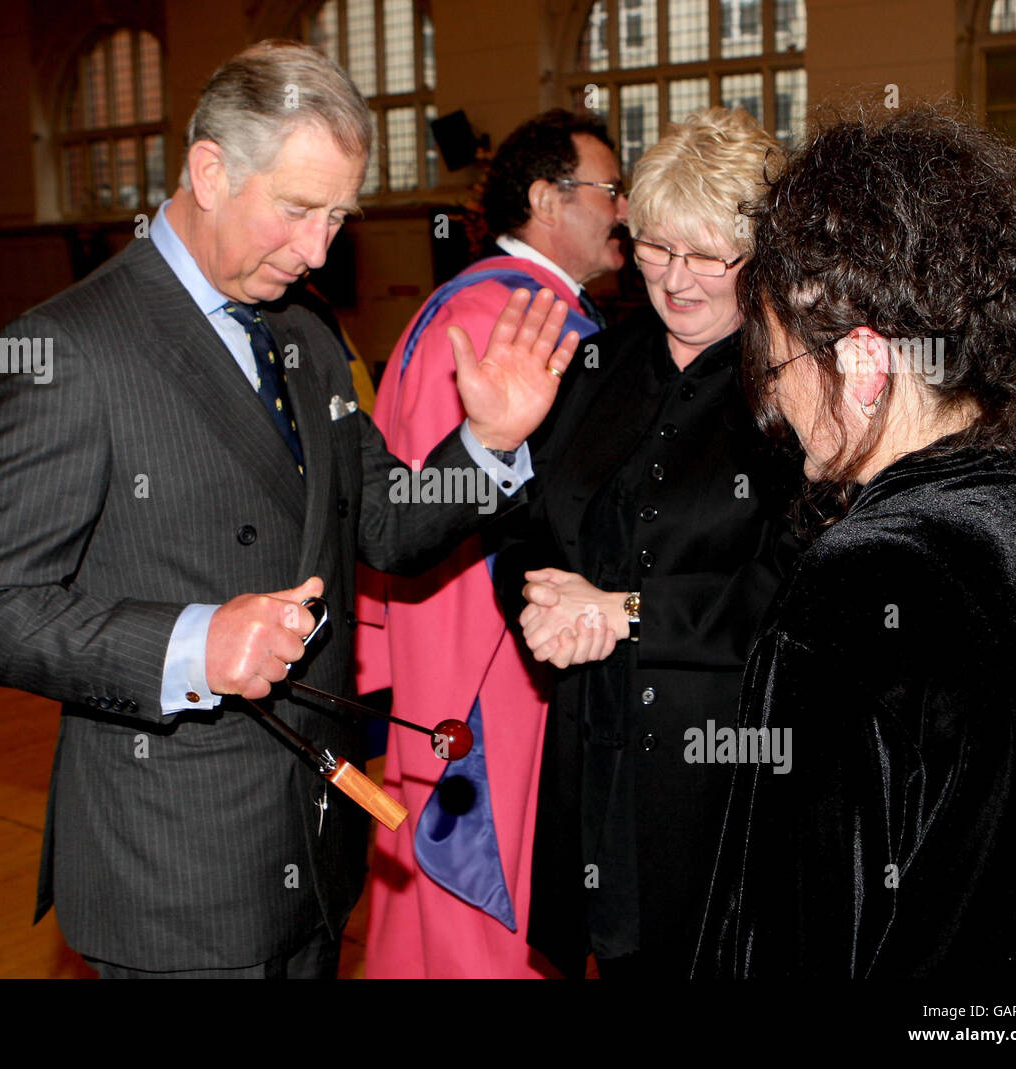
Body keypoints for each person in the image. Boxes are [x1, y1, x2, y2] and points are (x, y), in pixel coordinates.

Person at [0, 40, 579, 979]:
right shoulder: (72, 348)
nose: (318, 247)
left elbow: (386, 521)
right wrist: (189, 644)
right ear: (208, 170)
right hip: (175, 871)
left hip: (314, 845)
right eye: (298, 210)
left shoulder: (305, 334)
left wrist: (487, 446)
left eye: (337, 217)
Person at [693, 104, 1016, 979]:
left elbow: (791, 937)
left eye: (783, 367)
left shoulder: (854, 588)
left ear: (865, 365)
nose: (779, 410)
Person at [491, 107, 799, 978]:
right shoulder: (601, 360)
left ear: (763, 256)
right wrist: (540, 604)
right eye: (657, 247)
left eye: (708, 256)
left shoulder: (796, 389)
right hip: (594, 744)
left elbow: (791, 592)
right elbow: (525, 527)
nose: (676, 278)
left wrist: (624, 610)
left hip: (720, 771)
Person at [356, 110, 626, 978]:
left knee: (424, 923)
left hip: (440, 665)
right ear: (549, 198)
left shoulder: (470, 304)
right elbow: (438, 515)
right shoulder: (517, 326)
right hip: (489, 678)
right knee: (481, 914)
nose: (624, 211)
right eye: (610, 190)